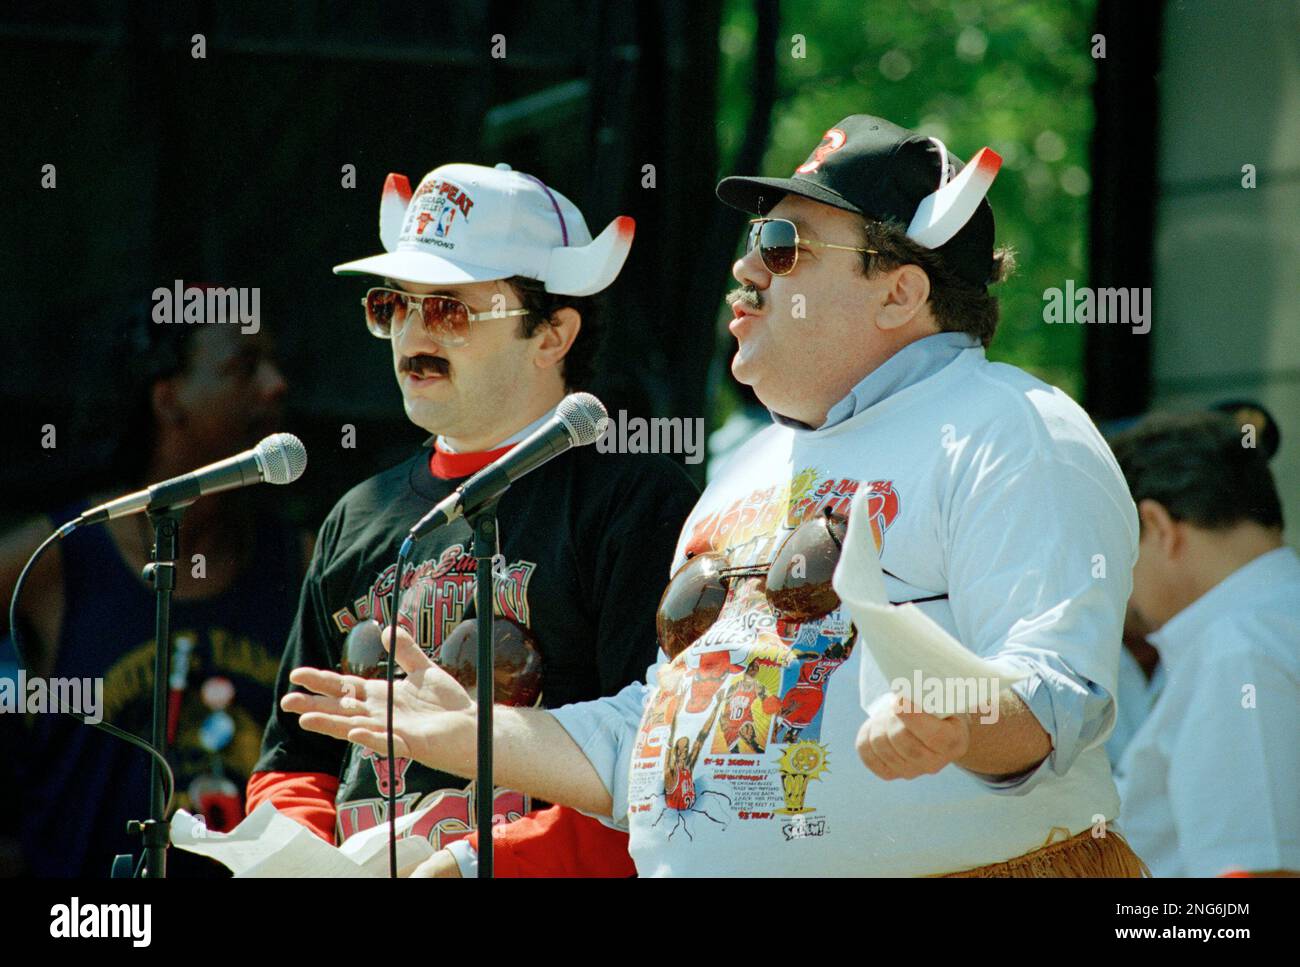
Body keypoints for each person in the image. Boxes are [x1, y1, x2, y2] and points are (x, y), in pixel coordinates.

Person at [284, 116, 1148, 877]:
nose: (747, 266)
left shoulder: (1013, 427)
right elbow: (652, 738)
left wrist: (954, 714)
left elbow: (1058, 695)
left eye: (784, 244)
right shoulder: (743, 473)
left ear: (902, 291)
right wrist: (480, 735)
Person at [249, 162, 698, 875]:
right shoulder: (357, 514)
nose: (413, 333)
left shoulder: (637, 501)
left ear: (553, 334)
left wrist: (475, 864)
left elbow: (664, 758)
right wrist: (295, 857)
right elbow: (296, 757)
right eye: (393, 305)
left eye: (451, 308)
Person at [0, 303, 304, 876]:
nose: (275, 384)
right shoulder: (57, 556)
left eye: (272, 364)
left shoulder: (300, 560)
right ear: (168, 400)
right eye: (244, 366)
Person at [1110, 410, 1299, 876]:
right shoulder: (1266, 624)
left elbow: (1255, 874)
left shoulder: (1239, 651)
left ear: (1157, 526)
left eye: (1114, 545)